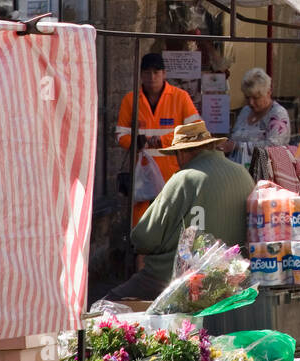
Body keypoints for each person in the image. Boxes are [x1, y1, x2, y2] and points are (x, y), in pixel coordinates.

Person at [105, 122, 256, 301]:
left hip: (176, 278)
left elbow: (143, 238)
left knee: (108, 304)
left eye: (176, 154)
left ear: (182, 152)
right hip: (232, 276)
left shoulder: (185, 178)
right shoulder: (243, 174)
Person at [116, 52, 202, 225]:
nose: (152, 77)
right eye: (147, 72)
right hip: (142, 178)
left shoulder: (180, 97)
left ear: (164, 74)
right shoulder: (130, 100)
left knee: (172, 225)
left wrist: (163, 140)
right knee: (142, 227)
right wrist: (135, 142)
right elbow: (120, 136)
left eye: (156, 72)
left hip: (174, 176)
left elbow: (196, 131)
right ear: (141, 75)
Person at [222, 67, 291, 168]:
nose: (251, 102)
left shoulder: (278, 114)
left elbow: (274, 147)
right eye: (247, 97)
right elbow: (234, 137)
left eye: (256, 97)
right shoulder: (245, 111)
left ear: (268, 92)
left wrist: (236, 146)